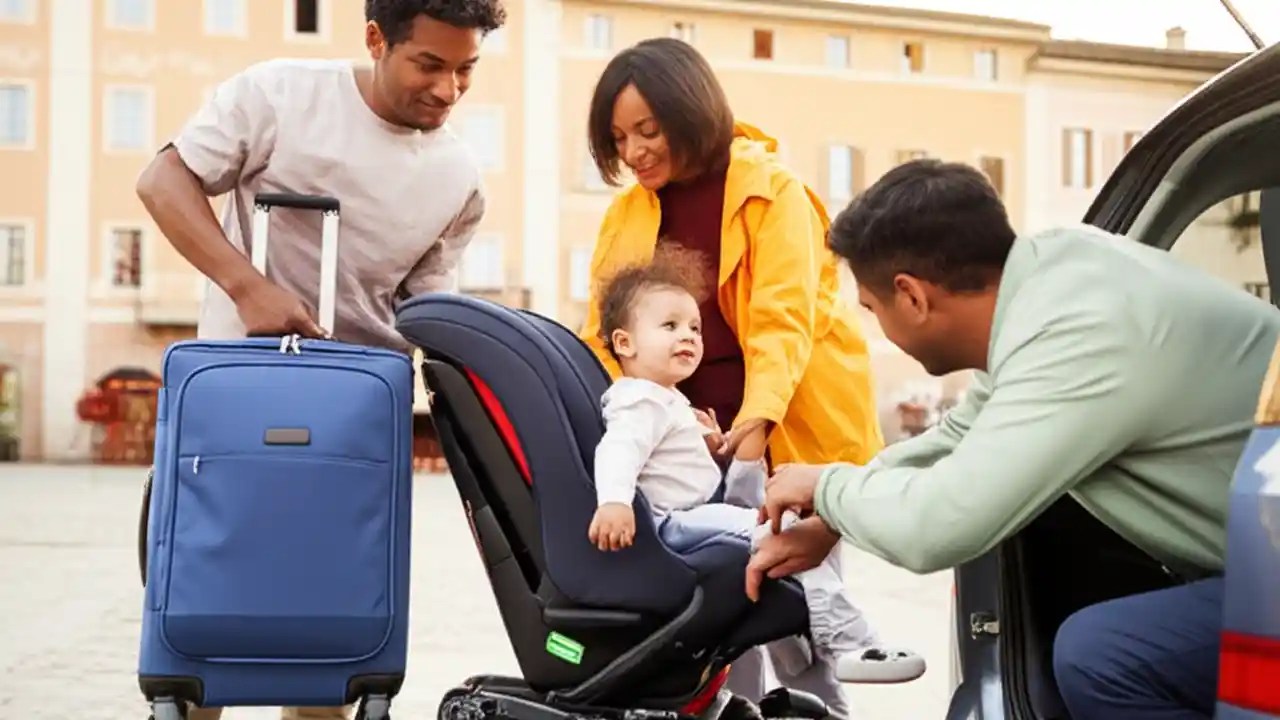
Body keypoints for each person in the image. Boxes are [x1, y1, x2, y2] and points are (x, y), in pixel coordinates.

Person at [747, 159, 1280, 720]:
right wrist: (833, 515)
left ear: (911, 297)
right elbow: (961, 432)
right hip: (1259, 563)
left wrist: (828, 486)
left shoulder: (1076, 336)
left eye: (872, 309)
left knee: (1101, 655)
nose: (877, 325)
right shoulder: (1059, 271)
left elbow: (938, 527)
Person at [135, 0, 507, 717]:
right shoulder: (279, 93)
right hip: (231, 413)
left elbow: (426, 303)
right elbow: (162, 181)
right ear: (375, 38)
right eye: (428, 64)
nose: (448, 90)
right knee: (201, 640)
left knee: (331, 648)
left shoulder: (460, 175)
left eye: (466, 70)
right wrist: (249, 287)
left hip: (357, 430)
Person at [577, 37, 884, 715]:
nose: (634, 153)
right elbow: (606, 334)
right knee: (720, 623)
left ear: (690, 113)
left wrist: (754, 427)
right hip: (692, 446)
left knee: (799, 617)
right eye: (619, 138)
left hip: (785, 432)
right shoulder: (625, 217)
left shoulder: (771, 192)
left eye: (648, 131)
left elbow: (785, 320)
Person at [585, 251, 925, 685]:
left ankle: (808, 645)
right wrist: (614, 502)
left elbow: (667, 457)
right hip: (675, 525)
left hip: (693, 514)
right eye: (669, 326)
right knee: (782, 538)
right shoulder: (638, 401)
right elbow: (619, 449)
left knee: (779, 541)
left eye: (694, 327)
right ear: (625, 343)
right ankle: (847, 641)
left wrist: (707, 439)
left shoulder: (664, 398)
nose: (688, 336)